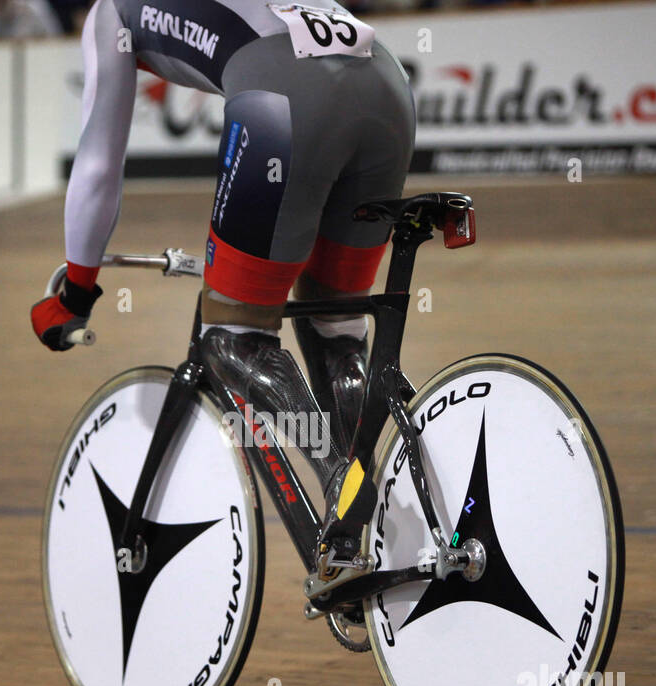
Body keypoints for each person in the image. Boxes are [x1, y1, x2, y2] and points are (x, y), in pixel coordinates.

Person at [31, 0, 415, 551]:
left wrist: (76, 290)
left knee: (233, 334)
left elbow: (95, 166)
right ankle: (378, 509)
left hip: (286, 91)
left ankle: (339, 476)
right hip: (386, 82)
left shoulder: (108, 13)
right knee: (337, 320)